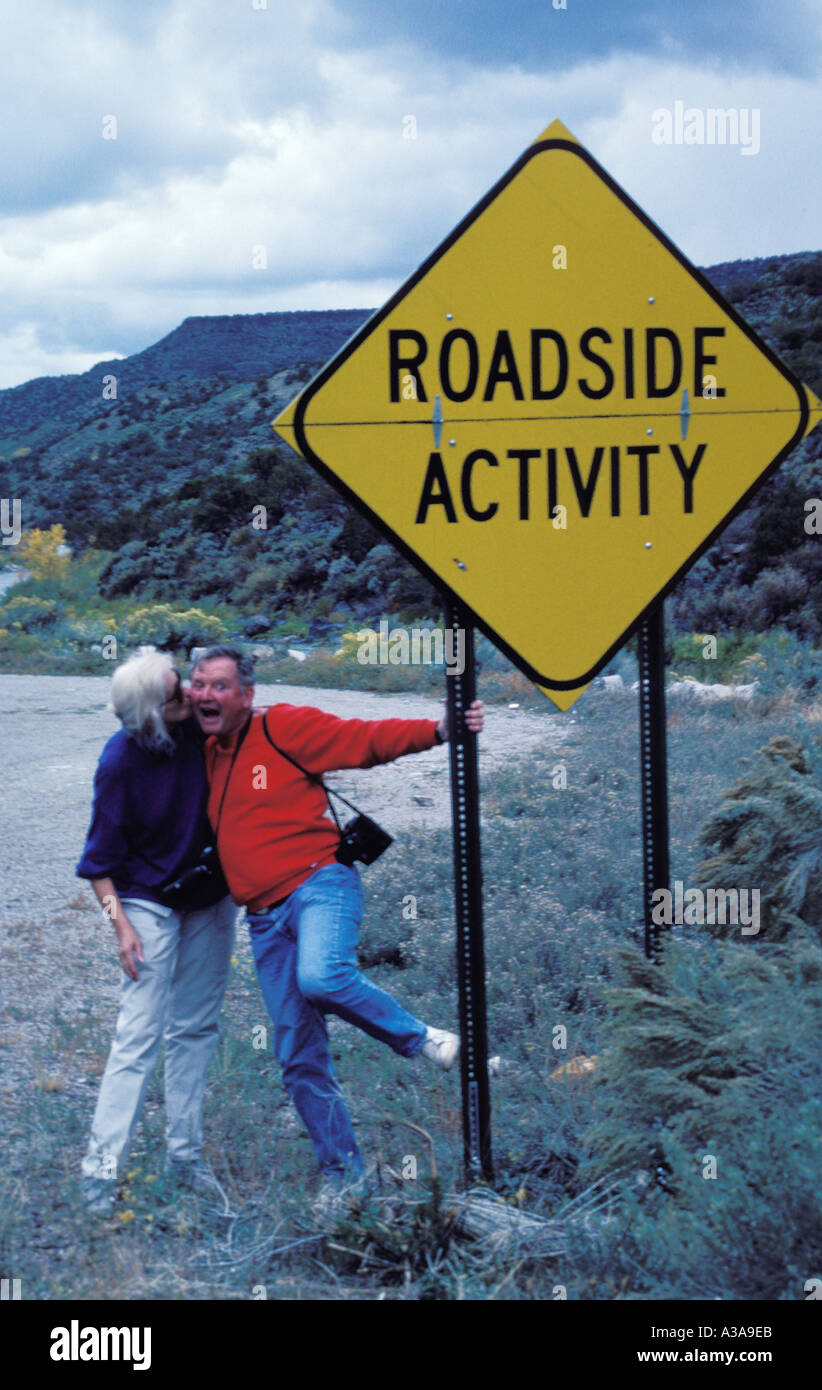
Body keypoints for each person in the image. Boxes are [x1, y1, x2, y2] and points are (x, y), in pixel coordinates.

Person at [188, 644, 484, 1210]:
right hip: (263, 919)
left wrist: (443, 727)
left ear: (246, 695)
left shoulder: (283, 726)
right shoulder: (204, 750)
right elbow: (151, 709)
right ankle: (343, 1177)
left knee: (322, 977)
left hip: (320, 885)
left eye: (219, 685)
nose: (206, 694)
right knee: (297, 1053)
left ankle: (427, 1041)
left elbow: (365, 739)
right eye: (197, 684)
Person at [76, 650, 237, 1214]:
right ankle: (99, 1180)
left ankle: (185, 1160)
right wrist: (119, 929)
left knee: (195, 1028)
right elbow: (98, 867)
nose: (191, 697)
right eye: (178, 694)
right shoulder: (120, 761)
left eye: (184, 686)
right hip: (145, 903)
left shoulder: (200, 729)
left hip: (210, 900)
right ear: (150, 715)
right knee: (136, 1038)